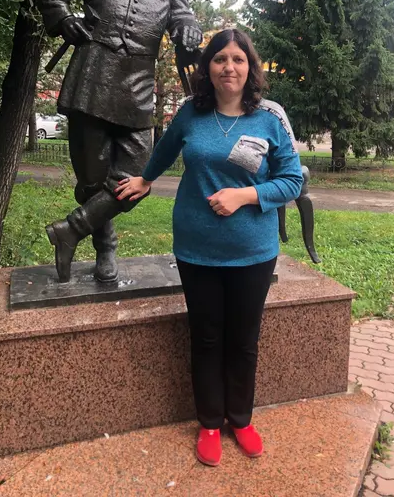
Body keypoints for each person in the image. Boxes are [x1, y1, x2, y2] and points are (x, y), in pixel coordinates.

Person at [115, 28, 303, 466]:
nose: (229, 67)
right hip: (197, 250)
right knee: (206, 337)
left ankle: (242, 419)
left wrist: (245, 195)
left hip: (253, 252)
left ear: (251, 68)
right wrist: (146, 178)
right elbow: (165, 149)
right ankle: (210, 424)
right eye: (220, 59)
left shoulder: (269, 118)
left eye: (238, 59)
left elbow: (292, 181)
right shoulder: (191, 113)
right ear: (208, 68)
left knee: (244, 339)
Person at [37, 0, 202, 284]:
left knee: (136, 177)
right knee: (92, 181)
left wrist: (188, 30)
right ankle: (105, 250)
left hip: (138, 85)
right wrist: (64, 19)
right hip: (92, 76)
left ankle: (71, 229)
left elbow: (182, 15)